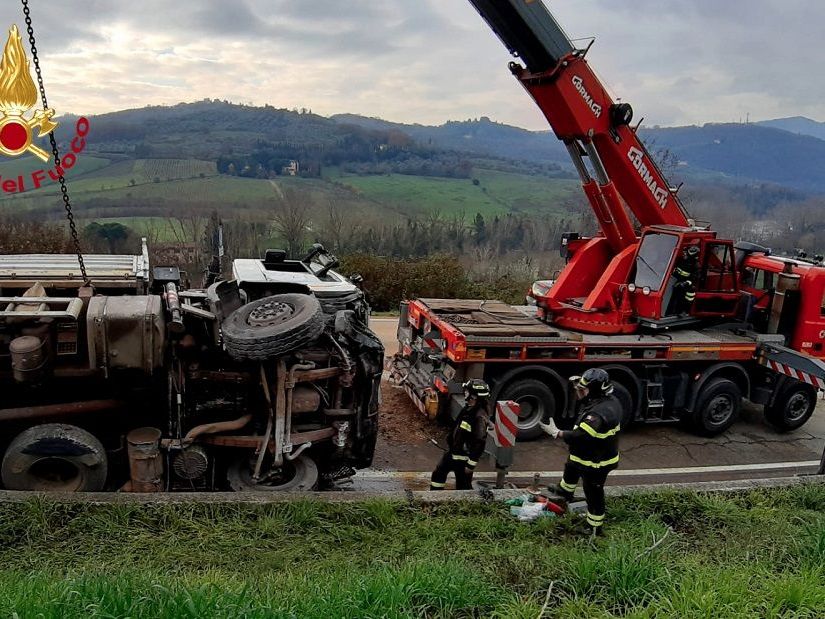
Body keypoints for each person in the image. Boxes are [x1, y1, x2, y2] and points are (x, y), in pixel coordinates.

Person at [539, 368, 622, 536]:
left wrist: (557, 433)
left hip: (597, 461)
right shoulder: (605, 400)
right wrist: (581, 383)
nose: (578, 391)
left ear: (595, 391)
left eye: (582, 389)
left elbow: (580, 436)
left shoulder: (598, 414)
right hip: (586, 453)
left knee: (593, 491)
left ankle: (594, 527)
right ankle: (565, 490)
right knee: (571, 466)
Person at [430, 379, 490, 490]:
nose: (465, 393)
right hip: (453, 453)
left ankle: (465, 504)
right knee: (438, 474)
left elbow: (480, 442)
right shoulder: (468, 409)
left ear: (474, 396)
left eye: (467, 391)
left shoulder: (479, 417)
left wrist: (470, 465)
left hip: (463, 459)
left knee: (463, 486)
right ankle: (434, 498)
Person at [668, 244, 699, 316]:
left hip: (684, 284)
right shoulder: (680, 260)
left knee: (685, 294)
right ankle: (670, 311)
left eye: (686, 254)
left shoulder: (695, 265)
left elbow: (694, 278)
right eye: (685, 253)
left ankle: (683, 311)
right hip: (674, 280)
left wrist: (684, 283)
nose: (684, 255)